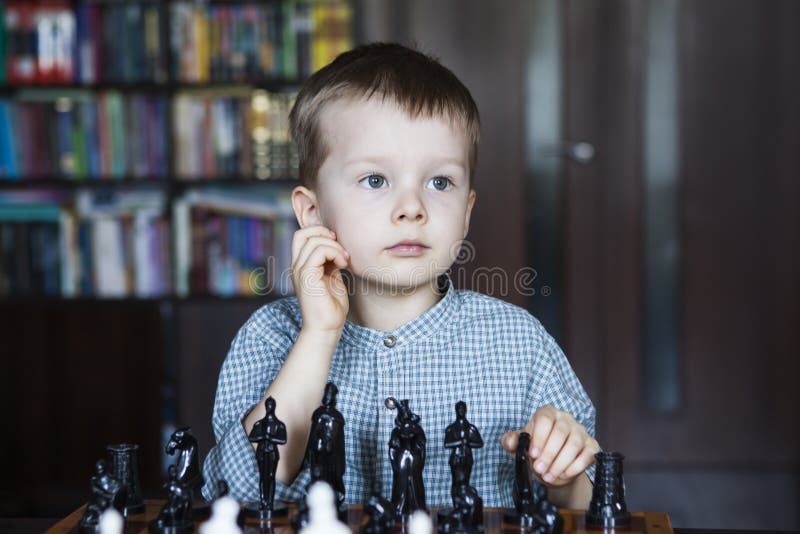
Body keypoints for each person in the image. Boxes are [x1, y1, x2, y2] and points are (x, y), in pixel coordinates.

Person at [202, 42, 599, 509]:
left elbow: (596, 503)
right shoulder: (270, 337)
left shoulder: (521, 344)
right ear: (311, 212)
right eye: (375, 180)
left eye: (440, 182)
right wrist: (319, 336)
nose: (412, 208)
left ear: (467, 213)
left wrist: (564, 476)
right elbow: (234, 495)